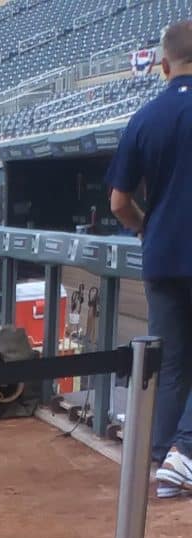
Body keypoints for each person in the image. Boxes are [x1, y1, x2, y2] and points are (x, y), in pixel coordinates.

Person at [108, 21, 192, 498]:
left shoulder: (145, 116)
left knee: (172, 362)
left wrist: (146, 227)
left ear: (164, 65)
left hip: (160, 253)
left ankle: (163, 461)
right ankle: (185, 451)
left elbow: (119, 202)